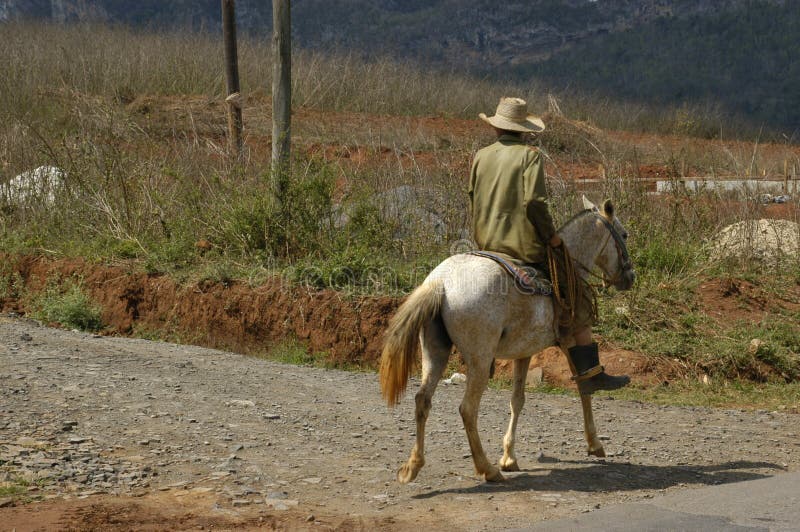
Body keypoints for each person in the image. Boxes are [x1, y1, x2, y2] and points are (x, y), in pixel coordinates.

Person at [469, 97, 629, 395]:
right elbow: (534, 204)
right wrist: (552, 237)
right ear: (524, 130)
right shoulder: (530, 156)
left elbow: (473, 197)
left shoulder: (480, 156)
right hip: (521, 247)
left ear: (496, 128)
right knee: (575, 291)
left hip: (485, 244)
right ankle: (590, 371)